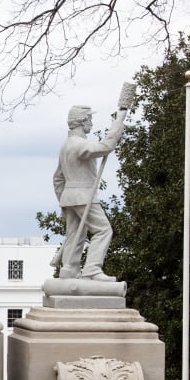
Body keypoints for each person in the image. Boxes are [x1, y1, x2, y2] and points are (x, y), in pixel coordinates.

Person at [53, 97, 130, 280]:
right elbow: (105, 147)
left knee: (74, 235)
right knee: (103, 230)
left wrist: (64, 199)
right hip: (83, 196)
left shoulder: (66, 145)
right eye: (89, 119)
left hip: (70, 197)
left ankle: (69, 269)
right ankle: (92, 270)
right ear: (82, 121)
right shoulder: (79, 144)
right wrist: (117, 123)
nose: (91, 123)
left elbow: (58, 179)